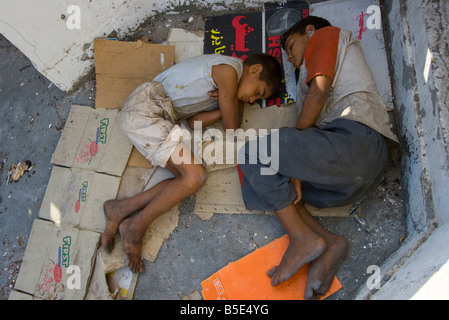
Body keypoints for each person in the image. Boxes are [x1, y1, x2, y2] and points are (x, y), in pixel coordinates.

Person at [238, 16, 398, 299]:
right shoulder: (305, 78)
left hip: (357, 143)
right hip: (346, 182)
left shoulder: (326, 35)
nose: (290, 57)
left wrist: (295, 164)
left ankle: (300, 239)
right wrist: (293, 167)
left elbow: (320, 92)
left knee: (252, 152)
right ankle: (327, 242)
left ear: (309, 31)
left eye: (290, 46)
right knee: (264, 182)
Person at [101, 53, 283, 273]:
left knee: (185, 179)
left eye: (256, 100)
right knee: (196, 175)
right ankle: (135, 225)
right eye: (258, 92)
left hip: (156, 116)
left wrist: (224, 105)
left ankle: (120, 208)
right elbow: (232, 127)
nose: (252, 100)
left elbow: (194, 121)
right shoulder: (228, 71)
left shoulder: (227, 84)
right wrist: (232, 102)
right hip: (145, 111)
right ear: (254, 70)